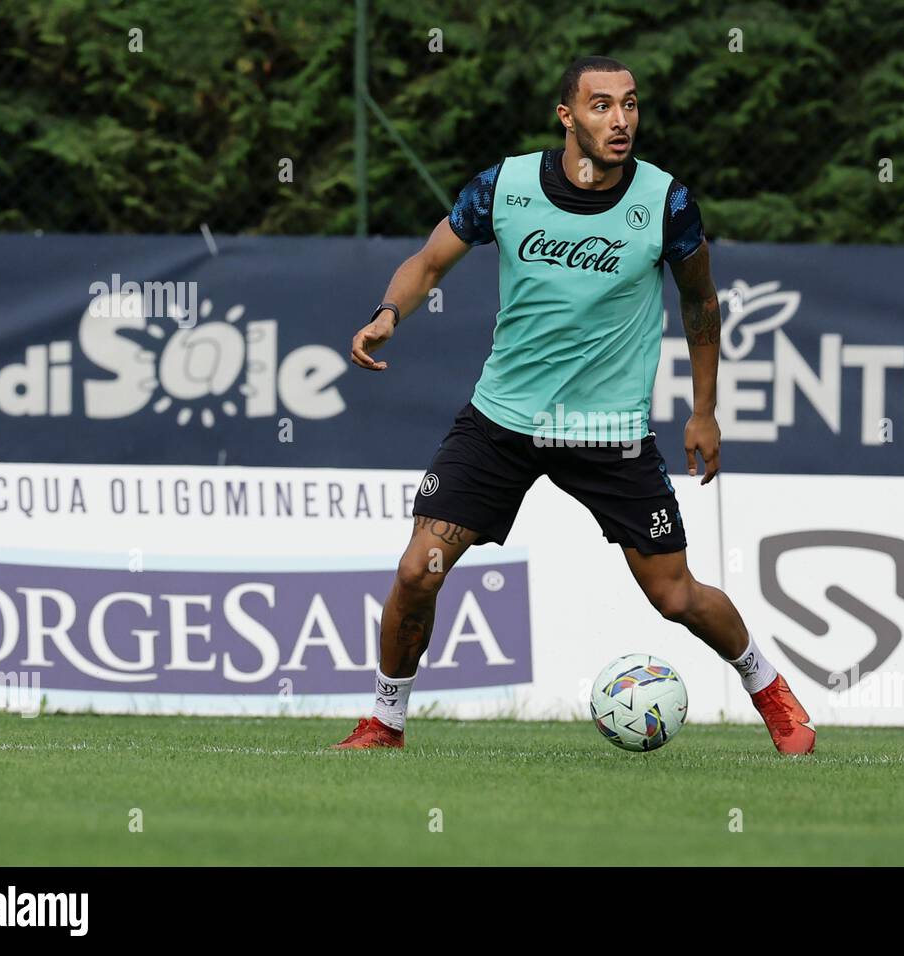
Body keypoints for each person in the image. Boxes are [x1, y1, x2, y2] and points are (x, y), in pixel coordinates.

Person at [337, 56, 815, 755]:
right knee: (418, 570)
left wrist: (702, 410)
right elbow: (429, 263)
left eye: (630, 105)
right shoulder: (505, 186)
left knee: (675, 596)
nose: (619, 121)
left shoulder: (665, 201)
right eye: (600, 106)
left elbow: (700, 303)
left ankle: (770, 690)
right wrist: (388, 313)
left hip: (607, 431)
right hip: (502, 420)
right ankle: (385, 723)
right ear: (568, 116)